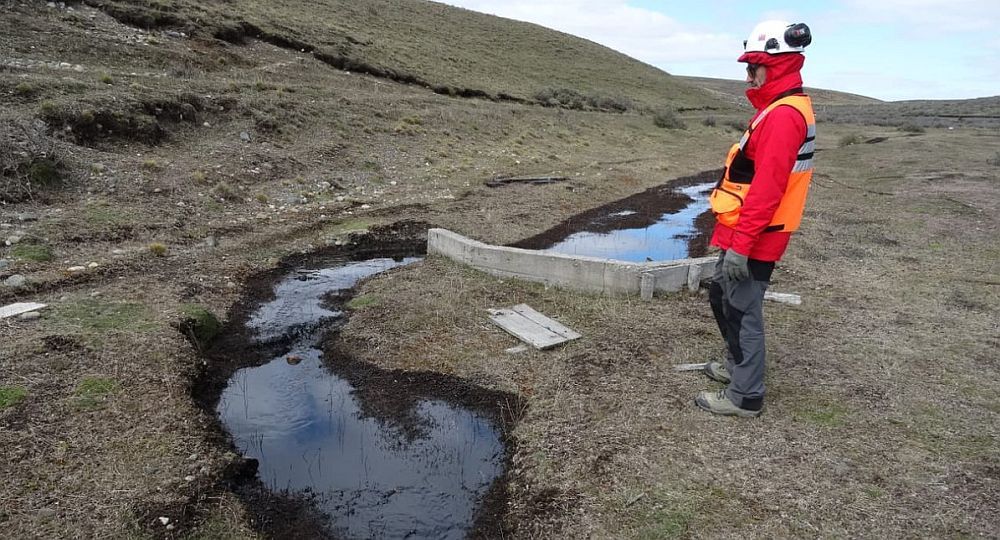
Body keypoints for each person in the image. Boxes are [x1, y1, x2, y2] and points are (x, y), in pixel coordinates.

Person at [695, 20, 816, 417]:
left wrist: (742, 247)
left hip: (758, 233)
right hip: (744, 228)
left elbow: (767, 190)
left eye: (754, 67)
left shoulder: (783, 115)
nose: (748, 74)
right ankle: (736, 369)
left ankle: (745, 396)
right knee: (723, 296)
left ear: (777, 65)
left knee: (743, 309)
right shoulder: (775, 109)